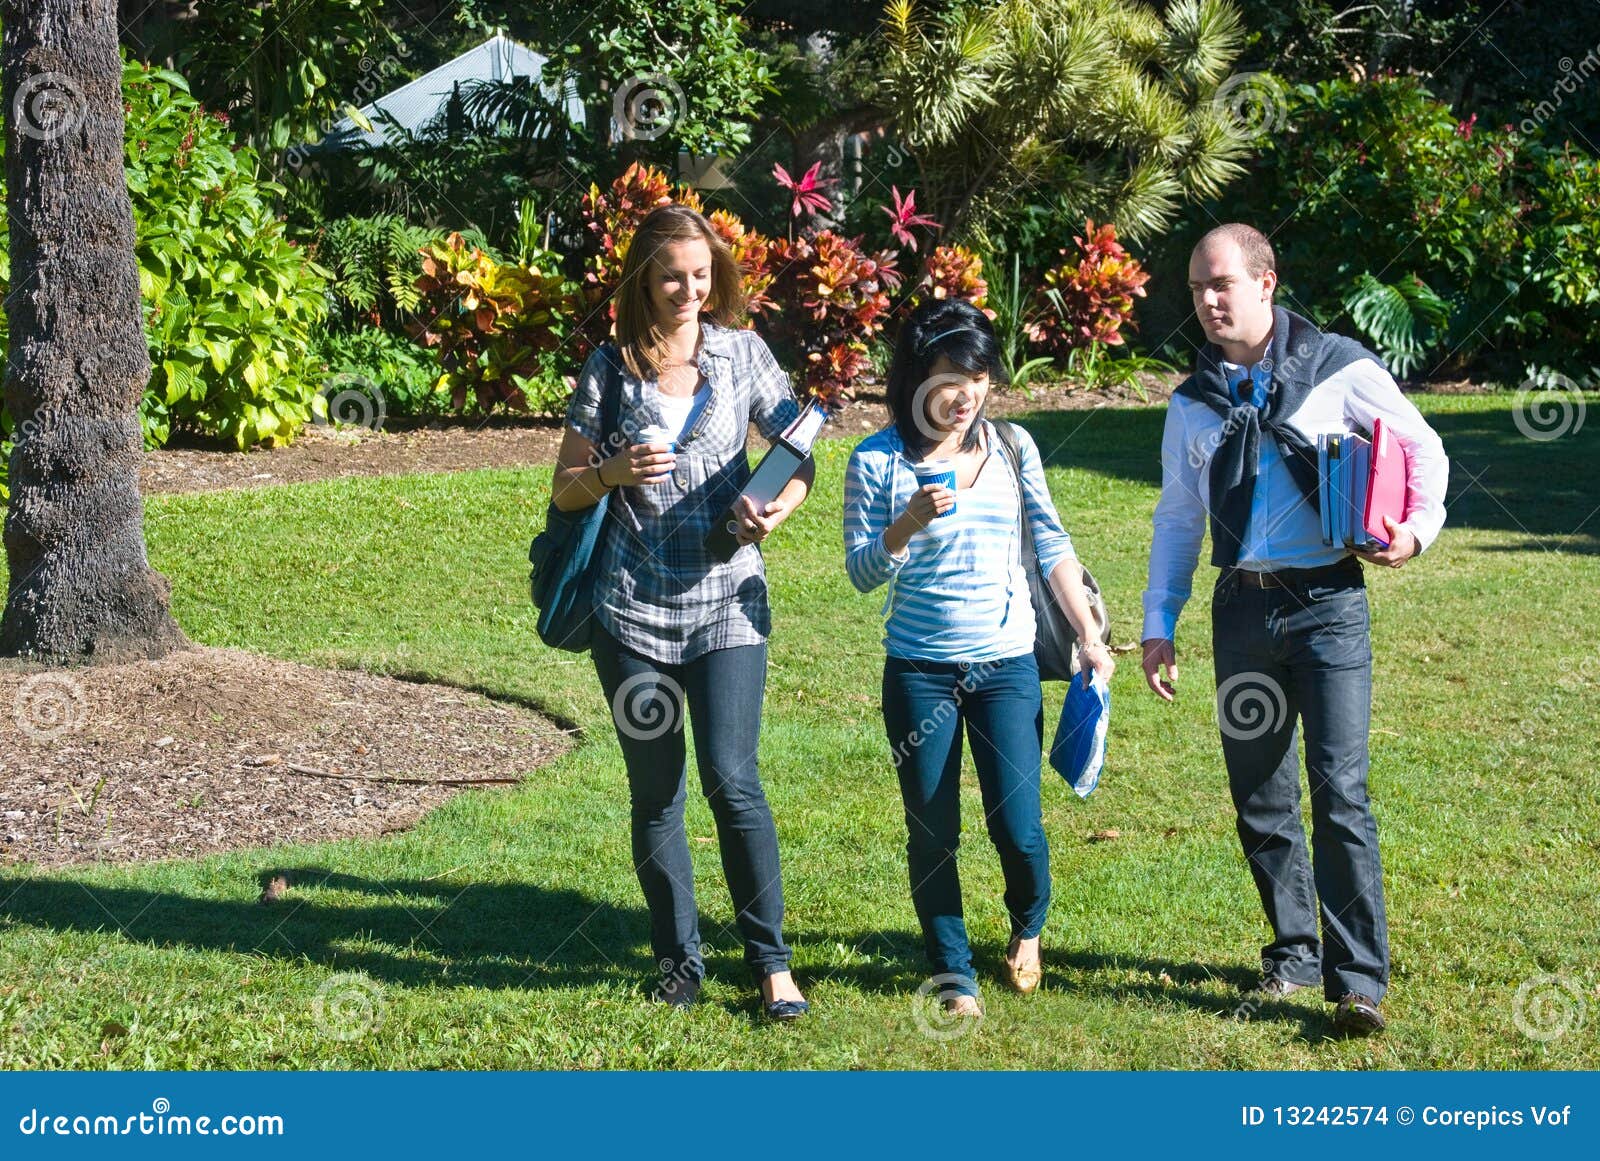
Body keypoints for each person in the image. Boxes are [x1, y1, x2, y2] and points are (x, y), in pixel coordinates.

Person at [1141, 223, 1449, 1036]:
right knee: (1260, 794)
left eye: (1221, 283)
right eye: (1197, 288)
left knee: (1339, 790)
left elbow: (1424, 448)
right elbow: (1178, 517)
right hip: (1241, 607)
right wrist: (1158, 620)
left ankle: (1358, 983)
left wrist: (1415, 532)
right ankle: (1295, 953)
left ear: (1266, 283)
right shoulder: (1193, 401)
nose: (1207, 300)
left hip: (1327, 605)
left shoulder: (1335, 367)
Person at [552, 204, 812, 1020]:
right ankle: (679, 963)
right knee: (658, 791)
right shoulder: (609, 368)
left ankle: (771, 965)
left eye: (701, 275)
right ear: (643, 279)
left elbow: (799, 450)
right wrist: (612, 472)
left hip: (728, 601)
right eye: (672, 276)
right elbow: (564, 489)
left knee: (733, 780)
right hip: (631, 610)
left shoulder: (742, 352)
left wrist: (776, 508)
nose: (689, 290)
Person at [843, 299, 1114, 1020]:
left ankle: (1029, 924)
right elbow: (862, 572)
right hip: (919, 669)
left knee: (1017, 825)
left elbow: (1051, 545)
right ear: (916, 379)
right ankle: (952, 969)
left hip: (1006, 665)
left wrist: (1089, 634)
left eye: (979, 377)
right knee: (933, 830)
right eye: (950, 378)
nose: (967, 395)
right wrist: (906, 523)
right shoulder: (875, 460)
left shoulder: (1012, 447)